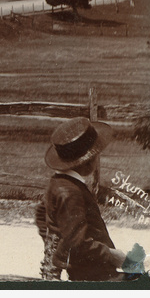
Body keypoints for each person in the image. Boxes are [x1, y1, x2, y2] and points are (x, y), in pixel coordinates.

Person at [35, 117, 128, 281]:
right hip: (94, 273)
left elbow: (41, 214)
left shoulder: (56, 183)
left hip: (85, 267)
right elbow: (79, 243)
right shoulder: (72, 193)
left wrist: (54, 248)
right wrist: (112, 255)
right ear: (88, 162)